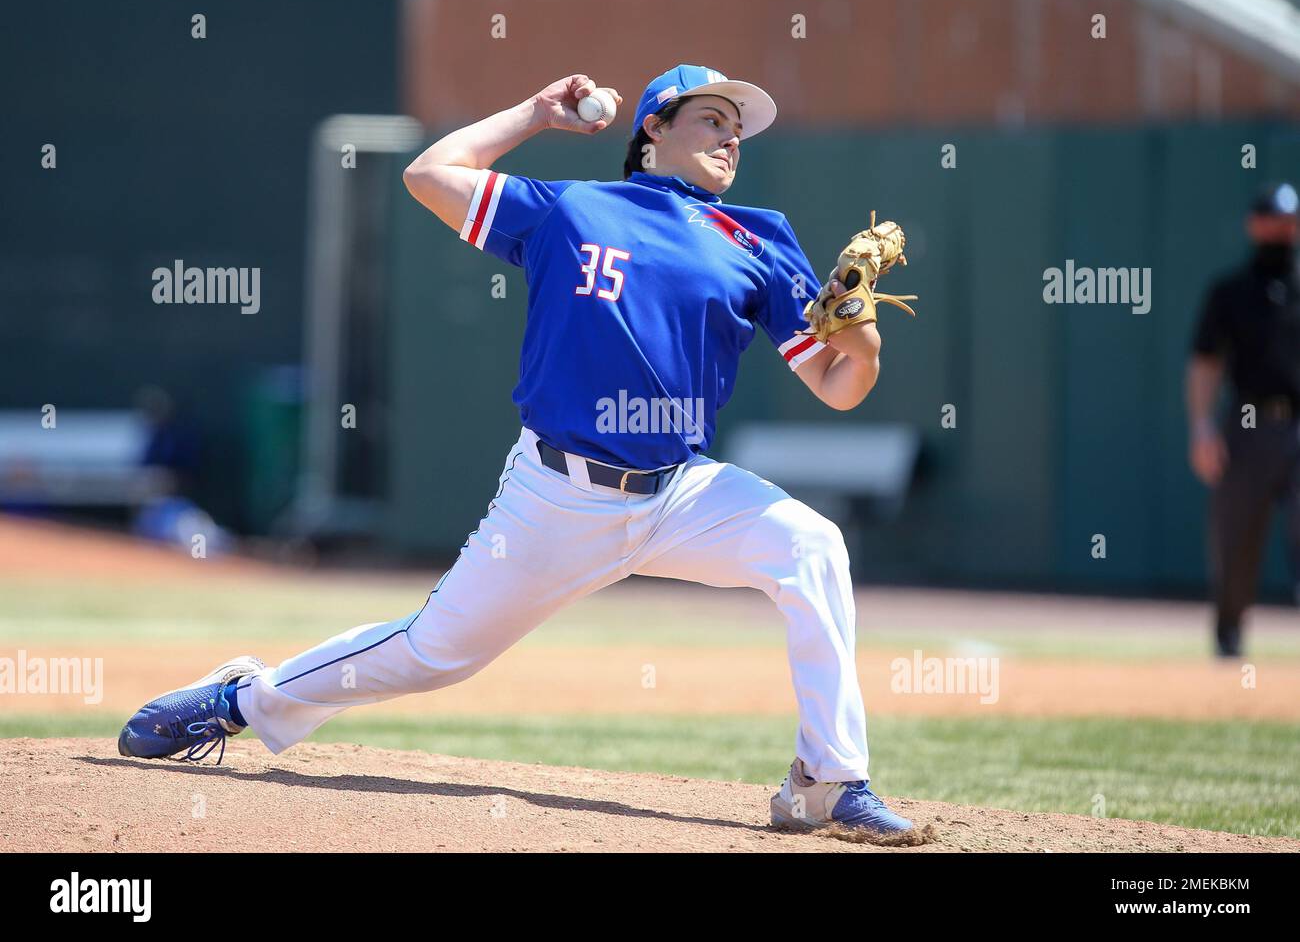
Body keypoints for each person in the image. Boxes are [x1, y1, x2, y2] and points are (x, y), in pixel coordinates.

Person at [118, 65, 914, 835]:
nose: (730, 139)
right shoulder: (571, 212)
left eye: (738, 130)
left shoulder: (761, 241)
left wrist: (866, 344)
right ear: (653, 129)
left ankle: (827, 784)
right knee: (436, 653)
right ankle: (240, 699)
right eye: (712, 118)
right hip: (558, 494)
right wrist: (536, 113)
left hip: (680, 492)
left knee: (811, 547)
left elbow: (837, 386)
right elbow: (431, 173)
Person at [1187, 182, 1300, 658]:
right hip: (1249, 426)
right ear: (1254, 224)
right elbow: (1205, 362)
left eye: (1288, 220)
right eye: (1272, 219)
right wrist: (1202, 426)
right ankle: (1229, 638)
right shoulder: (1230, 292)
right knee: (1236, 539)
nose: (1280, 229)